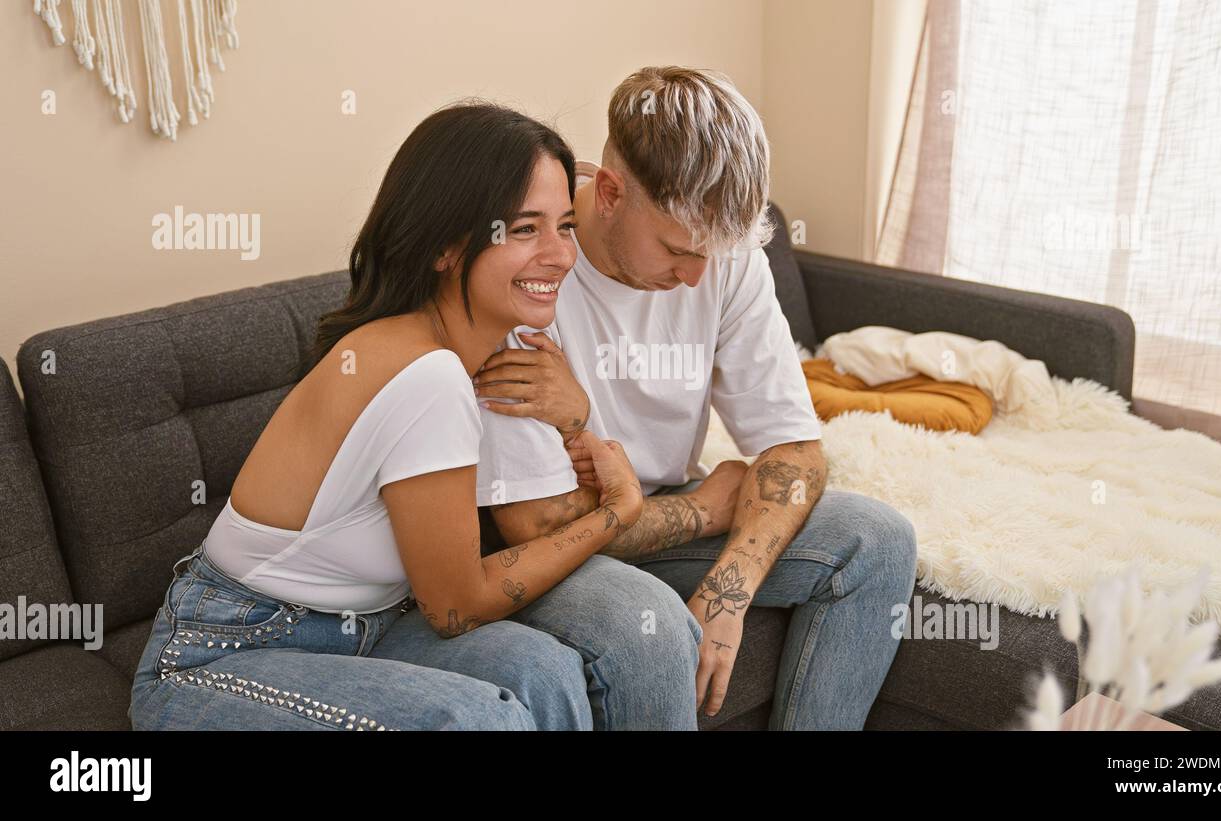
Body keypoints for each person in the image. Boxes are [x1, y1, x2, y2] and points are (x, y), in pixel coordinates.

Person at [129, 102, 703, 731]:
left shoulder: (468, 355)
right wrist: (618, 513)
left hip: (361, 626)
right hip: (222, 657)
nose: (560, 255)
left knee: (544, 669)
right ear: (446, 249)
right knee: (476, 721)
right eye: (522, 229)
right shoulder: (426, 373)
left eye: (565, 225)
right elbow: (456, 607)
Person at [473, 67, 920, 730]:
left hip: (636, 512)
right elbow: (537, 525)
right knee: (643, 631)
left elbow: (794, 449)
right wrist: (708, 509)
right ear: (612, 193)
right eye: (679, 250)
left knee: (880, 540)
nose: (697, 278)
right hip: (549, 550)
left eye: (717, 253)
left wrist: (728, 590)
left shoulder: (721, 256)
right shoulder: (531, 264)